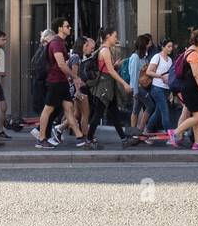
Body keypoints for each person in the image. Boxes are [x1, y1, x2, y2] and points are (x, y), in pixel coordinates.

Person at [32, 18, 85, 148]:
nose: (70, 28)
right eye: (67, 26)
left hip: (62, 82)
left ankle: (80, 137)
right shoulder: (56, 43)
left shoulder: (61, 43)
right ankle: (41, 138)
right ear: (60, 28)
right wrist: (74, 77)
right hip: (55, 82)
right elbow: (61, 64)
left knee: (69, 109)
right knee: (48, 109)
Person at [168, 28, 198, 151]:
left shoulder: (191, 50)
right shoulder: (194, 54)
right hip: (192, 89)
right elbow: (196, 74)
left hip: (191, 88)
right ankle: (175, 132)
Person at [86, 28, 133, 148]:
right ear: (108, 36)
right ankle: (88, 140)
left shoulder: (106, 50)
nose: (116, 39)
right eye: (115, 36)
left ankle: (123, 139)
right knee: (98, 114)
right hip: (104, 88)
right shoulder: (105, 51)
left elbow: (108, 68)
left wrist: (115, 65)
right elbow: (110, 71)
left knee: (114, 114)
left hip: (108, 87)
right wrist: (124, 83)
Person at [143, 39, 176, 136]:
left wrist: (170, 91)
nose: (171, 48)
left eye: (171, 46)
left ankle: (147, 130)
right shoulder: (157, 57)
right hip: (157, 88)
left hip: (166, 89)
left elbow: (170, 75)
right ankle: (170, 135)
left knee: (158, 112)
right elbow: (149, 71)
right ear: (163, 47)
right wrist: (161, 76)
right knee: (165, 111)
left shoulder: (169, 60)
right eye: (168, 46)